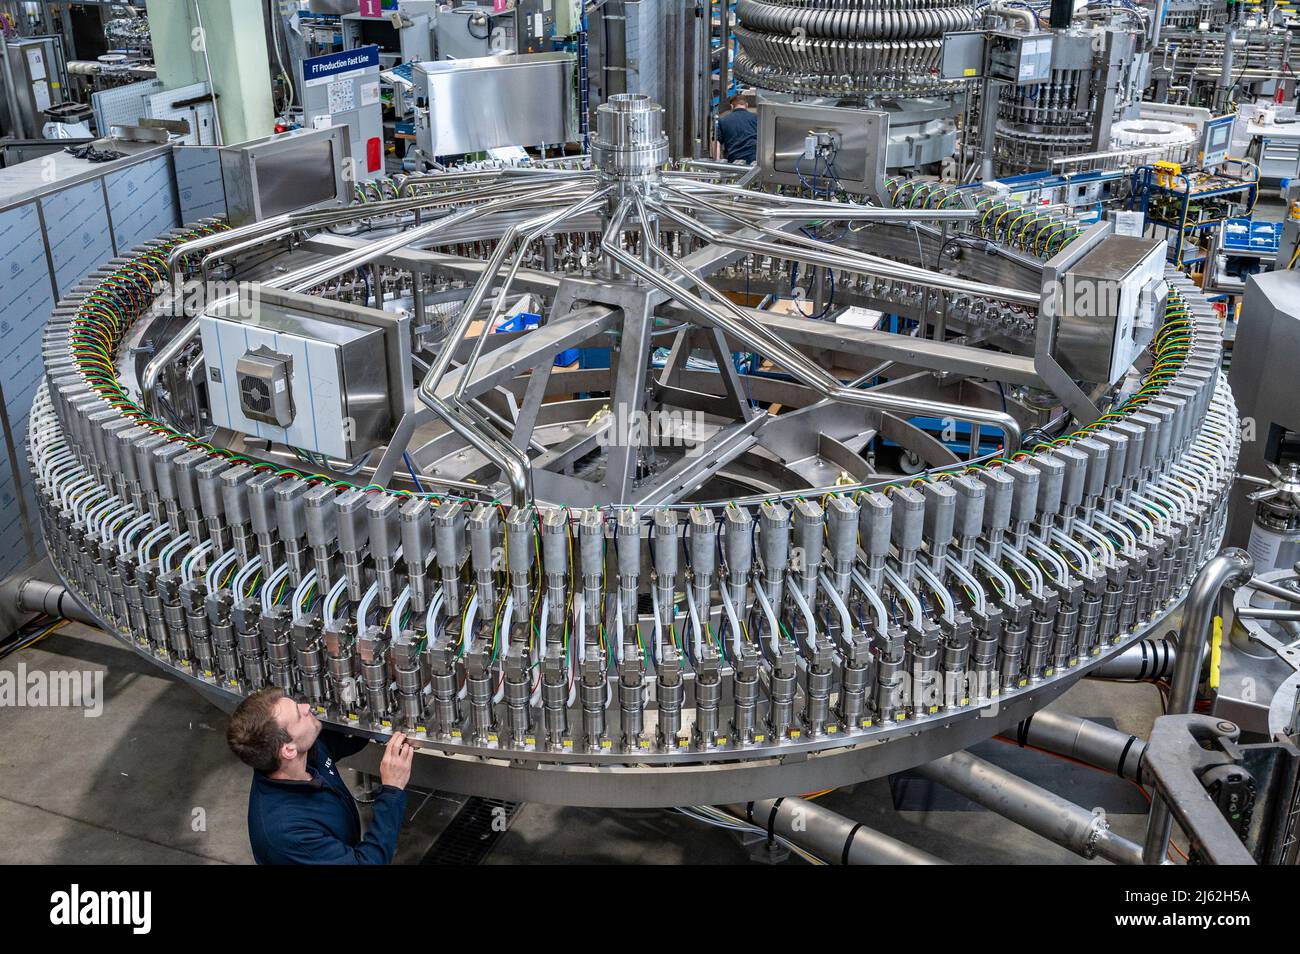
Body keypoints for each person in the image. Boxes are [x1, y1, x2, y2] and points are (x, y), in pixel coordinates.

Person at [226, 687, 414, 864]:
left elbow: (338, 743)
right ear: (288, 750)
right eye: (299, 715)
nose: (306, 707)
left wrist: (388, 725)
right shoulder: (288, 835)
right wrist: (392, 789)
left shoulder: (297, 756)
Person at [714, 92, 758, 164]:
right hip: (754, 160)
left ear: (731, 106)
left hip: (734, 161)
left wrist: (717, 161)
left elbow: (717, 142)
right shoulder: (756, 118)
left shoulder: (723, 121)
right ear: (746, 105)